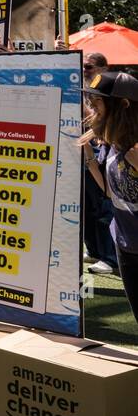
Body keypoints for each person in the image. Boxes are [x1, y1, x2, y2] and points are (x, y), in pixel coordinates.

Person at [81, 71, 138, 322]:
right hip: (125, 245)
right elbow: (108, 191)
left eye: (98, 103)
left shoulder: (134, 148)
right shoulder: (112, 143)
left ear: (123, 105)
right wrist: (90, 156)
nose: (93, 108)